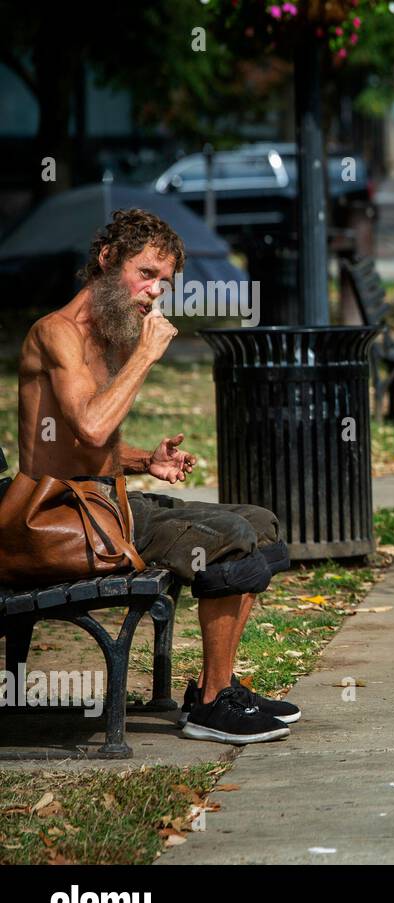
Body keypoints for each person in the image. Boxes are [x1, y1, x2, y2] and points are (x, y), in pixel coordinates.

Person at [15, 208, 300, 744]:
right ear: (106, 259)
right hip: (59, 518)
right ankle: (213, 708)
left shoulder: (102, 337)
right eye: (145, 274)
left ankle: (218, 687)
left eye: (163, 284)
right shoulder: (56, 334)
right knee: (232, 539)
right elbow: (94, 429)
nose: (152, 293)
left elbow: (77, 441)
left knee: (259, 522)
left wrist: (147, 460)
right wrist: (145, 356)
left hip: (102, 504)